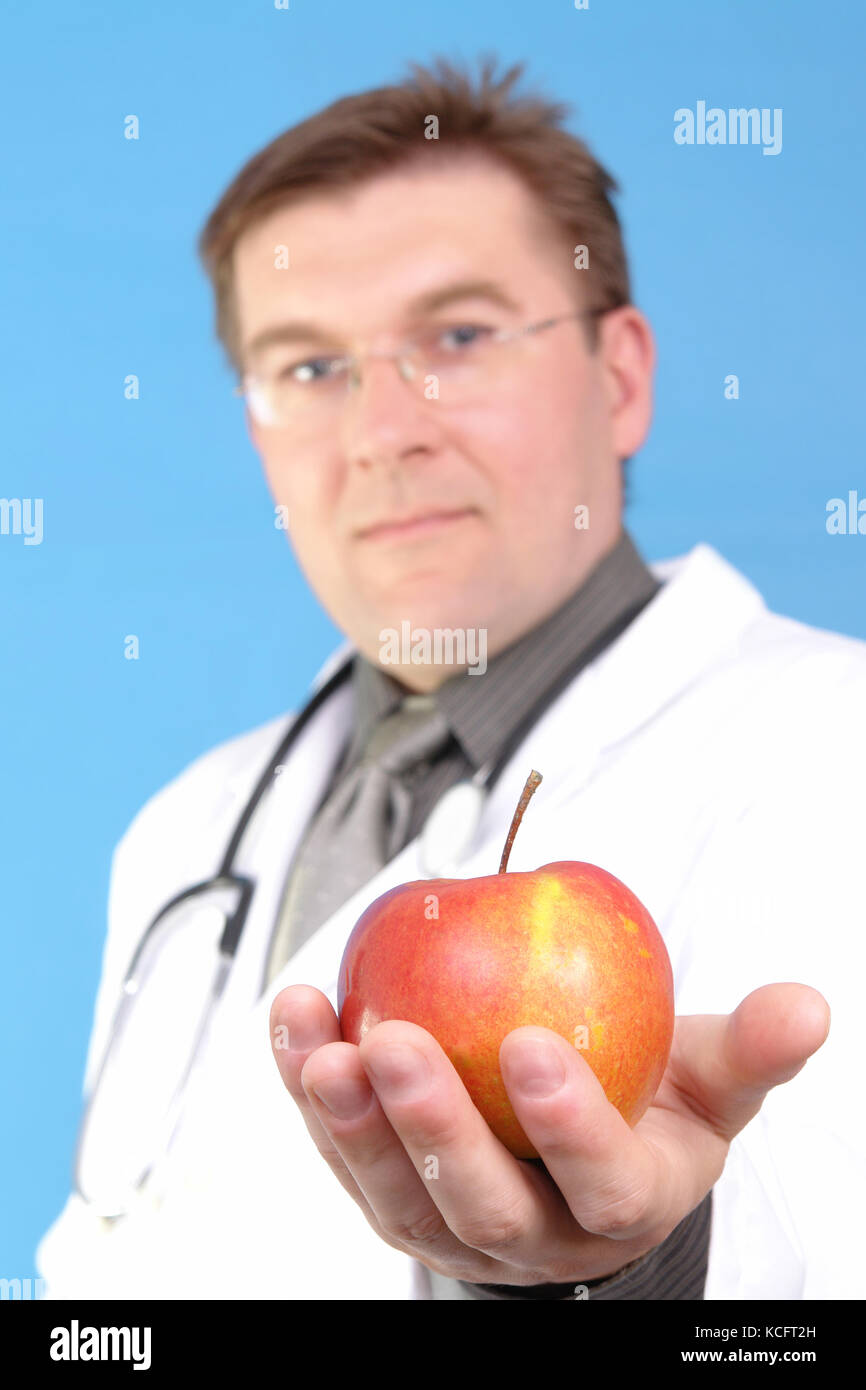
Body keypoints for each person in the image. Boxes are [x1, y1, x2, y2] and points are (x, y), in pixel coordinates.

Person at [37, 57, 864, 1301]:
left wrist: (632, 1269)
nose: (381, 432)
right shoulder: (186, 826)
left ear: (620, 376)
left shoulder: (829, 750)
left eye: (459, 336)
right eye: (308, 368)